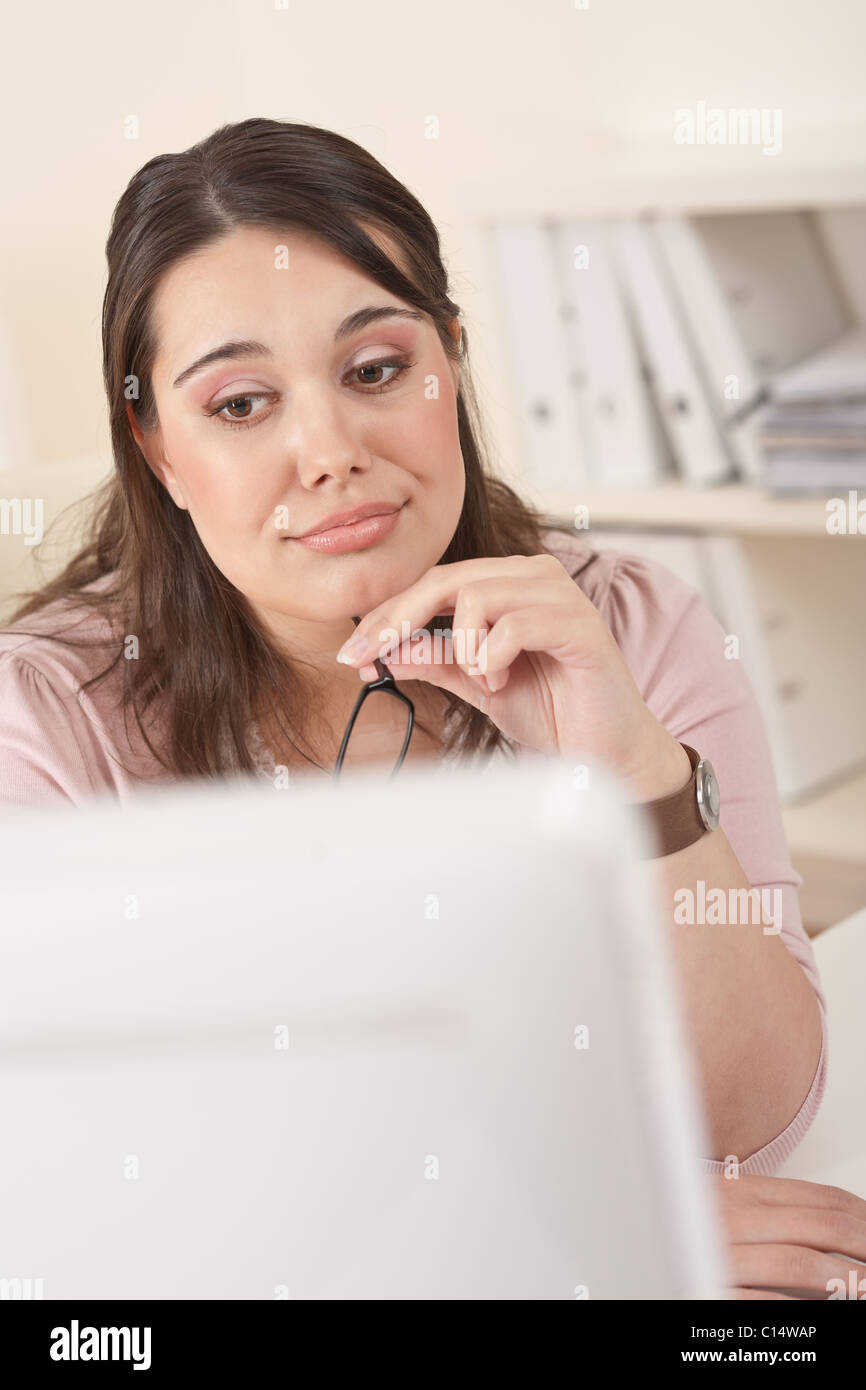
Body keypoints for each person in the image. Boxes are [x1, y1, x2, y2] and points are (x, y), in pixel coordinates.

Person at [0, 118, 859, 1297]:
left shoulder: (627, 622)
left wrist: (631, 769)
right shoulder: (43, 717)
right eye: (241, 404)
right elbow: (84, 1197)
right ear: (155, 447)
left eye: (375, 370)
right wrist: (573, 1220)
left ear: (449, 365)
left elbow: (758, 1121)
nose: (330, 451)